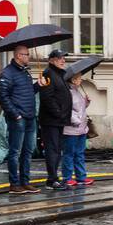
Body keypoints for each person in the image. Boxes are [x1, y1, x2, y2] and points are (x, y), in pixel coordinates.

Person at [0, 44, 38, 194]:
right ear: (19, 56)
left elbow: (28, 93)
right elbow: (3, 97)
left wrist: (38, 85)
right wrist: (16, 115)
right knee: (15, 152)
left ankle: (25, 182)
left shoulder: (25, 72)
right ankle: (14, 184)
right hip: (18, 118)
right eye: (27, 54)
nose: (29, 56)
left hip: (30, 117)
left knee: (28, 151)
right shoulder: (7, 73)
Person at [37, 49, 73, 190]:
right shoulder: (48, 74)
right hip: (51, 120)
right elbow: (47, 98)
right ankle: (52, 180)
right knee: (52, 150)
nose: (63, 60)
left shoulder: (60, 74)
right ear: (51, 60)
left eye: (64, 57)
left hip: (59, 120)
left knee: (57, 149)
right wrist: (58, 113)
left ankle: (54, 178)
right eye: (59, 58)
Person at [61, 72, 92, 188]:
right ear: (73, 80)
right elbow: (66, 110)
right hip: (71, 129)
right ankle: (67, 178)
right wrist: (76, 121)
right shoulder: (67, 93)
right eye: (79, 78)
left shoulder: (77, 91)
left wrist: (86, 103)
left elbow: (79, 109)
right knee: (69, 154)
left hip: (81, 129)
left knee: (79, 153)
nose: (81, 80)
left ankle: (81, 177)